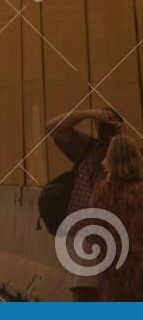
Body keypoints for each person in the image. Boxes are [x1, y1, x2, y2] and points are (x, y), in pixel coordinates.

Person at [48, 106, 123, 300]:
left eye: (112, 124)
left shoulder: (127, 155)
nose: (107, 129)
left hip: (117, 234)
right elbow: (53, 127)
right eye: (103, 124)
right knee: (85, 291)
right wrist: (87, 114)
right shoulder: (86, 148)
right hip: (83, 232)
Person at [90, 134, 143, 301]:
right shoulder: (140, 191)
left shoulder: (100, 192)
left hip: (112, 269)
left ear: (109, 160)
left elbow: (95, 232)